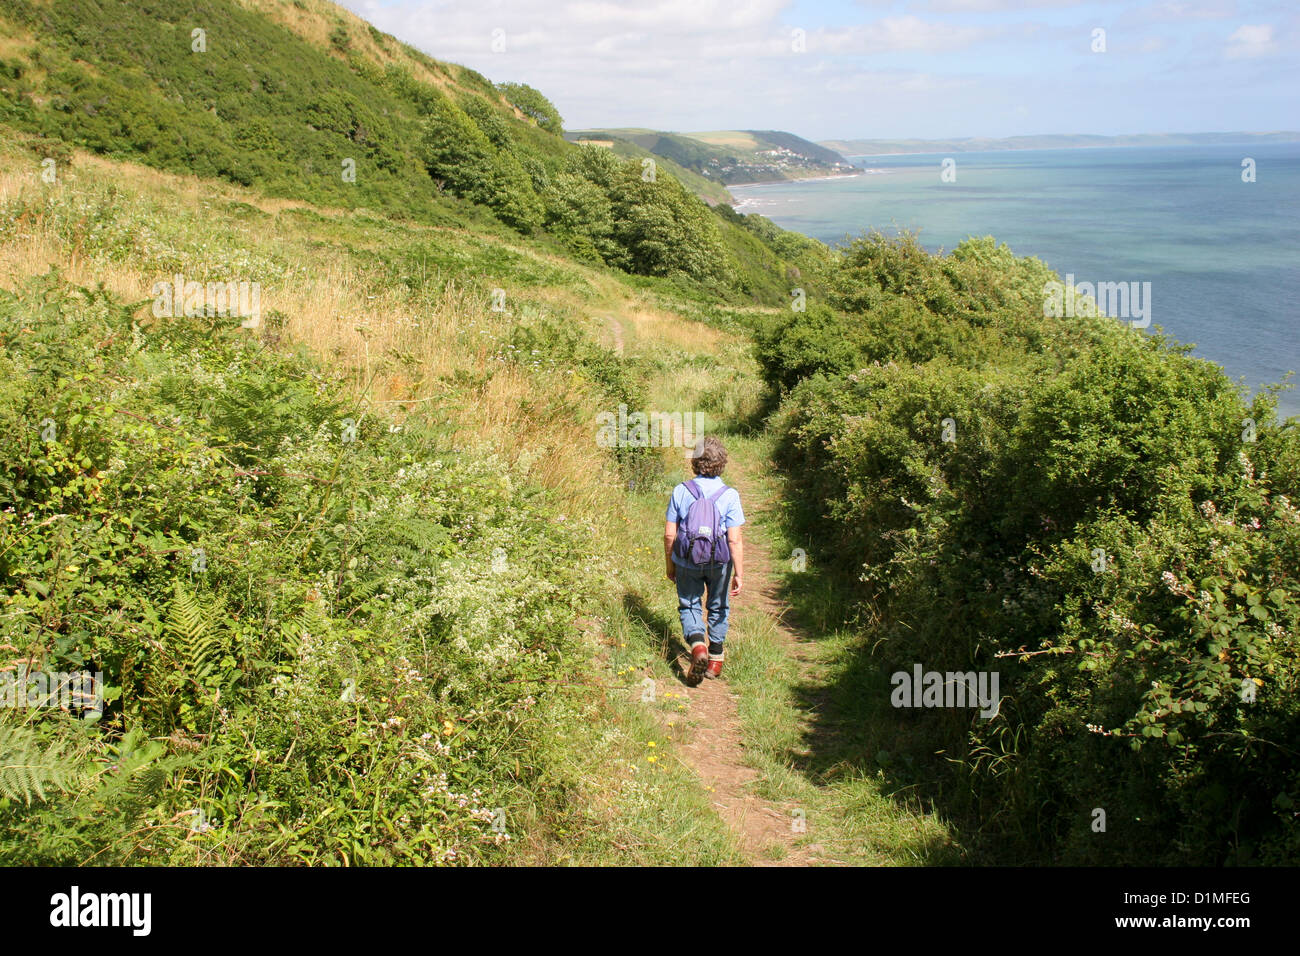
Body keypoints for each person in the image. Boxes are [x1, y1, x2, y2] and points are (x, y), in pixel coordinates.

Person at [664, 436, 744, 684]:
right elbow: (734, 540)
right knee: (719, 606)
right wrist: (739, 573)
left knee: (689, 604)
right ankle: (715, 661)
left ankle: (698, 645)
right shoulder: (730, 495)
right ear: (722, 463)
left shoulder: (681, 490)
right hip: (719, 562)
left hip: (687, 560)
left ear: (695, 462)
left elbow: (669, 534)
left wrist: (671, 564)